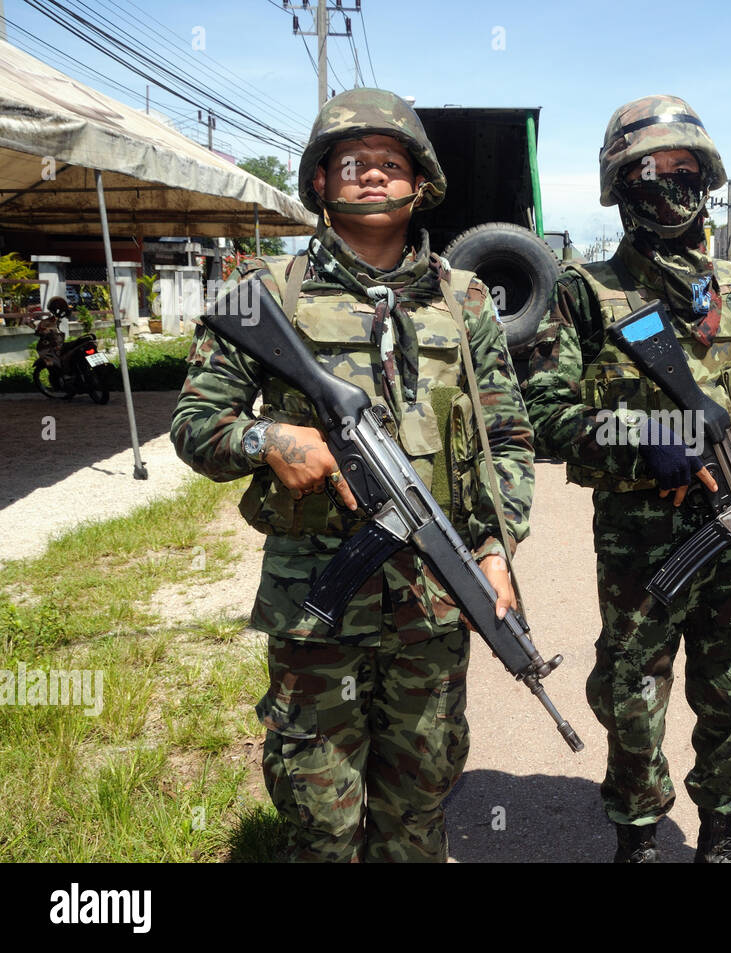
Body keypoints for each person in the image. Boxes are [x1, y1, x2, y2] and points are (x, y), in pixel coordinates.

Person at [171, 88, 534, 862]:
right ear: (321, 183)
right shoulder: (268, 292)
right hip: (316, 612)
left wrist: (498, 548)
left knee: (418, 812)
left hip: (434, 610)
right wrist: (271, 437)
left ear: (420, 183)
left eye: (390, 162)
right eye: (353, 163)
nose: (372, 175)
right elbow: (195, 426)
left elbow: (508, 437)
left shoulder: (462, 298)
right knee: (319, 818)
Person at [523, 95, 731, 863]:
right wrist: (638, 436)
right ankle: (639, 837)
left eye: (685, 170)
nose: (669, 186)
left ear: (708, 179)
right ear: (620, 186)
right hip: (638, 545)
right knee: (633, 693)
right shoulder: (587, 291)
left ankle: (721, 833)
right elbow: (545, 419)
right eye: (649, 172)